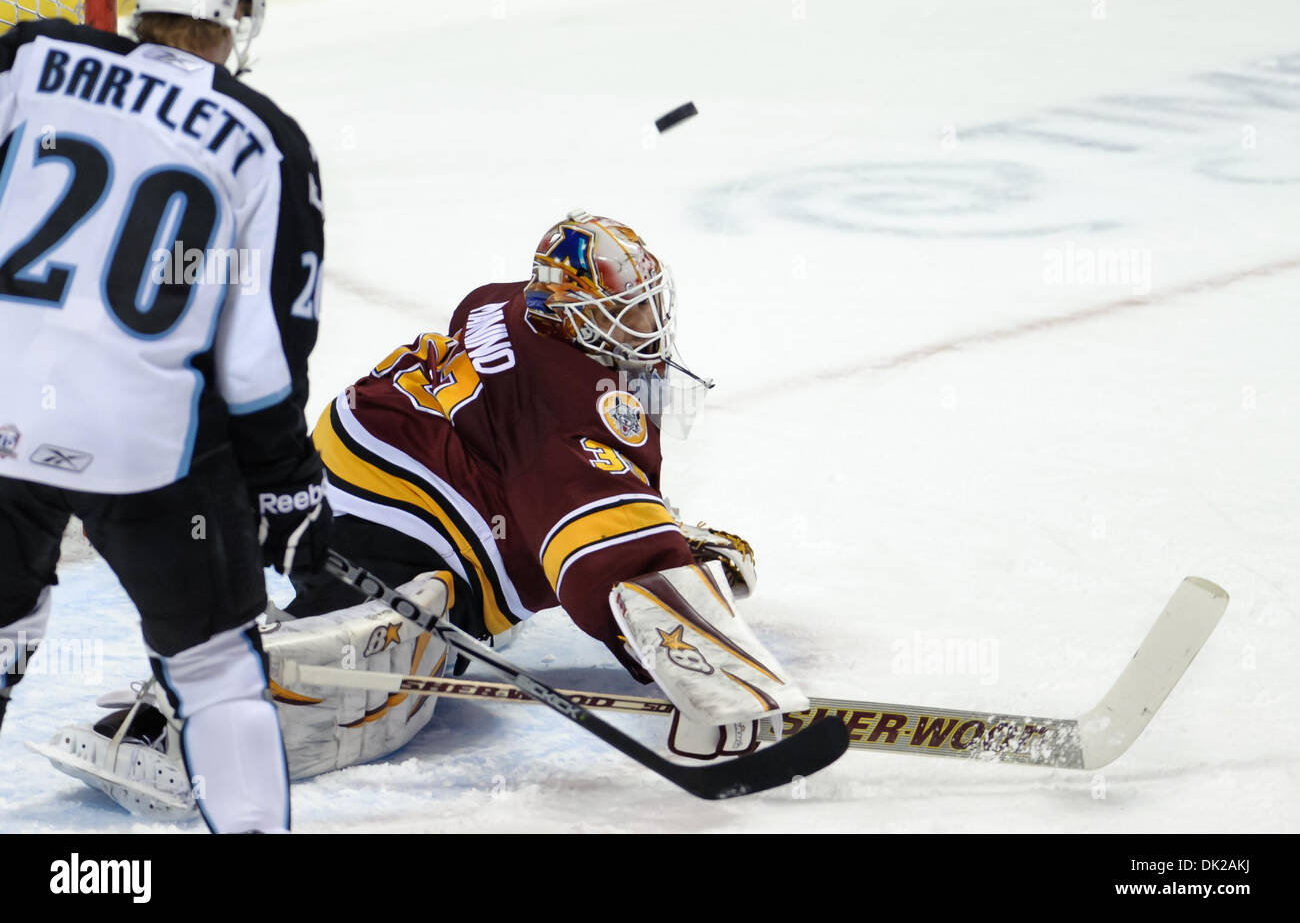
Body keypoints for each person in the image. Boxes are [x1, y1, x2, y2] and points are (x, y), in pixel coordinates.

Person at [36, 211, 809, 819]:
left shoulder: (507, 304)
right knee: (383, 662)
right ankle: (163, 734)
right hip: (401, 512)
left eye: (643, 312)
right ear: (570, 309)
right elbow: (601, 557)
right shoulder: (573, 407)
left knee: (459, 602)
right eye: (623, 314)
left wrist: (653, 542)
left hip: (361, 450)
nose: (642, 333)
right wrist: (696, 663)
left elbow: (532, 470)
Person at [0, 0, 330, 833]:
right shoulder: (266, 138)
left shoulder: (27, 58)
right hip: (145, 444)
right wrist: (286, 491)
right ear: (242, 13)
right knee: (216, 665)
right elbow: (260, 359)